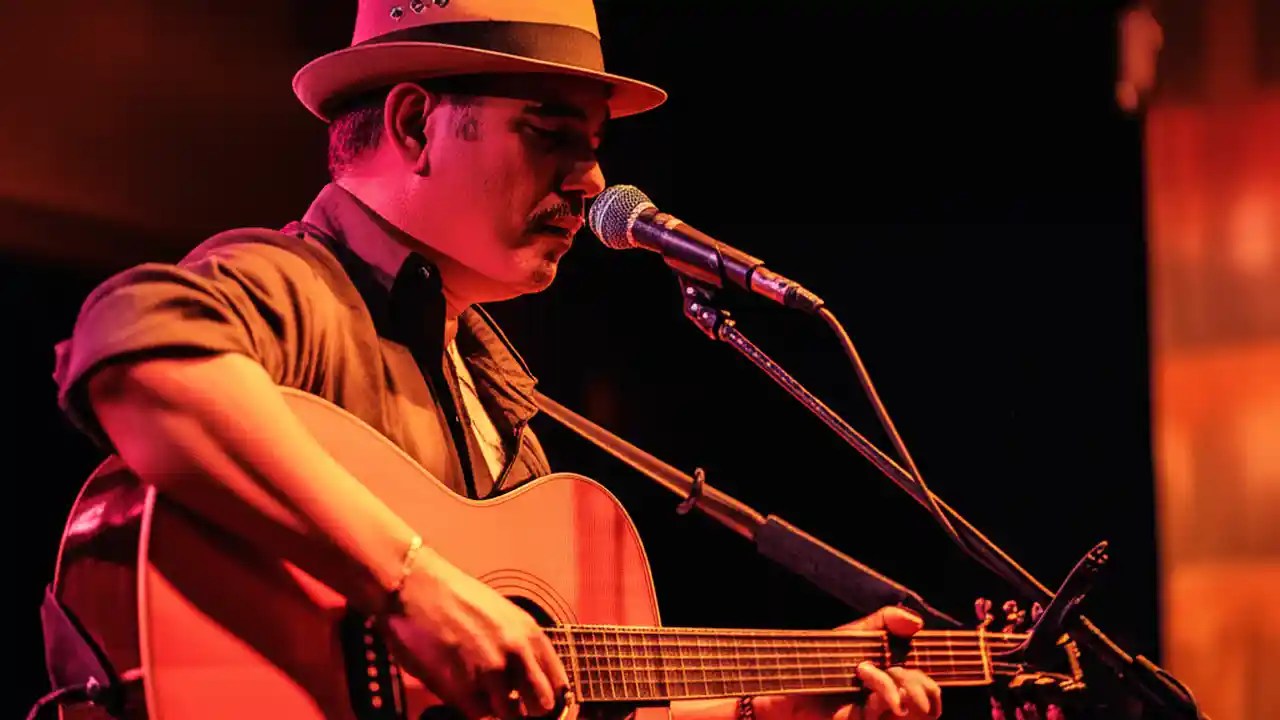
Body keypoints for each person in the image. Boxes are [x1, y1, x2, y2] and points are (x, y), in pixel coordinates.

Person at [50, 2, 942, 719]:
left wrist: (780, 707)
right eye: (550, 133)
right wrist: (409, 585)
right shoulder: (299, 291)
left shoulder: (501, 408)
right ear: (413, 124)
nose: (592, 183)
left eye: (594, 149)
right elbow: (135, 347)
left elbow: (559, 687)